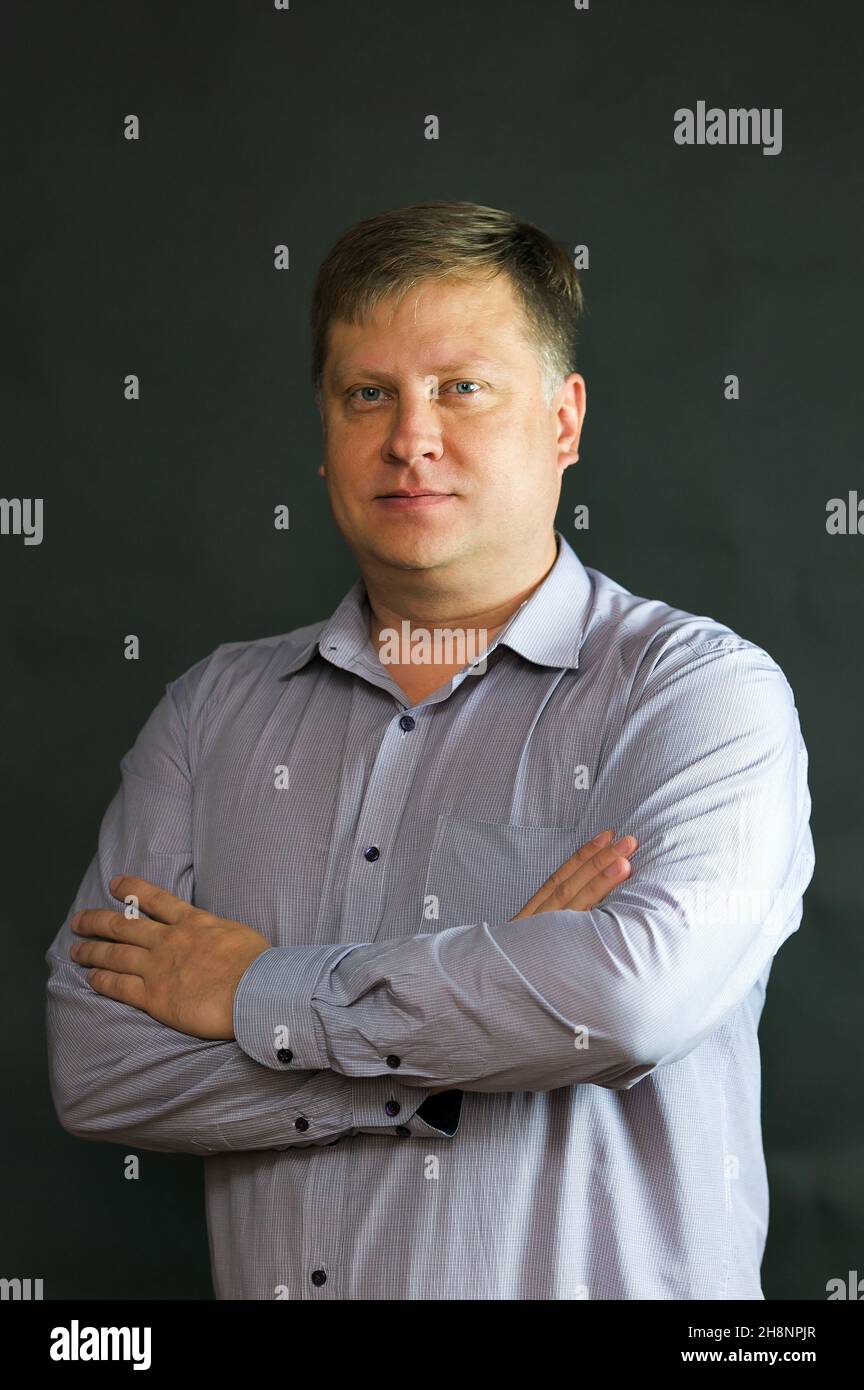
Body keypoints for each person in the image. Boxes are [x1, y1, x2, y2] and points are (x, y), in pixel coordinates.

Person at [45, 200, 815, 1300]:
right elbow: (99, 1068)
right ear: (323, 427)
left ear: (561, 419)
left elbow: (630, 1002)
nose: (409, 437)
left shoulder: (698, 694)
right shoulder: (211, 713)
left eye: (460, 387)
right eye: (368, 394)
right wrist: (478, 1039)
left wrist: (255, 992)